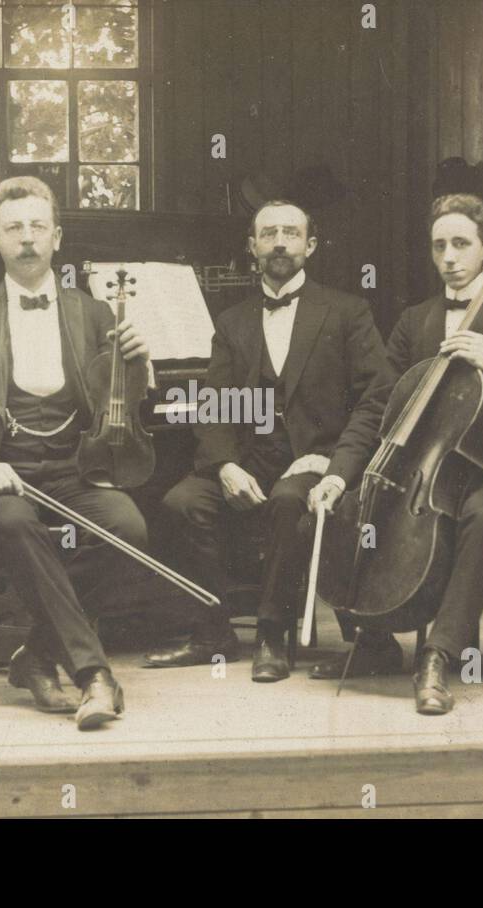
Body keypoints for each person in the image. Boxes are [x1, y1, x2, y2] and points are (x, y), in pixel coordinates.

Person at [308, 193, 483, 715]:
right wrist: (338, 474)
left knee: (479, 513)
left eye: (461, 244)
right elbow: (376, 404)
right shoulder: (415, 321)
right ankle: (374, 640)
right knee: (350, 506)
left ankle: (437, 654)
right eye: (439, 246)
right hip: (421, 471)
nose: (448, 256)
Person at [0, 176, 152, 730]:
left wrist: (140, 364)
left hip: (77, 465)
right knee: (14, 524)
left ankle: (35, 654)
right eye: (13, 228)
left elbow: (119, 399)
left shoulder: (95, 313)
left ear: (58, 235)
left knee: (129, 529)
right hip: (0, 470)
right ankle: (93, 674)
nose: (26, 238)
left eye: (36, 226)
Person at [144, 200, 386, 682]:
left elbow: (376, 403)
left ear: (310, 246)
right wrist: (225, 466)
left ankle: (272, 634)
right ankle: (213, 631)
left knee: (285, 502)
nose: (279, 242)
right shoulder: (232, 323)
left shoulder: (347, 312)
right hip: (249, 460)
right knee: (181, 502)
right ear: (251, 247)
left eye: (291, 233)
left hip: (314, 465)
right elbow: (214, 406)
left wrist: (334, 464)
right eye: (269, 233)